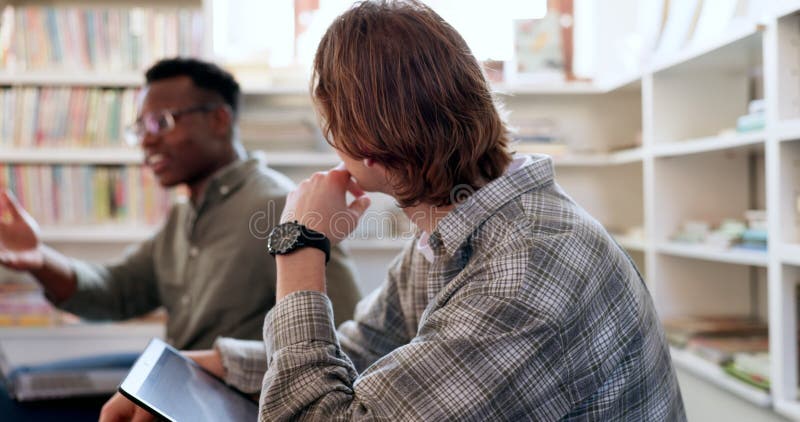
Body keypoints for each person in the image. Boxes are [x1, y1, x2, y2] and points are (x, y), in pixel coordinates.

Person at [101, 2, 686, 421]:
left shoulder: (523, 272)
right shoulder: (460, 223)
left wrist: (299, 244)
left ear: (367, 152)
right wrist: (204, 367)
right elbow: (360, 351)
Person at [0, 57, 361, 351]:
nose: (147, 141)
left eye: (162, 122)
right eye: (141, 128)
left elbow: (342, 343)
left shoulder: (281, 209)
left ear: (220, 119)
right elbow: (118, 291)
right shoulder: (183, 216)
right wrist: (39, 258)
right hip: (183, 392)